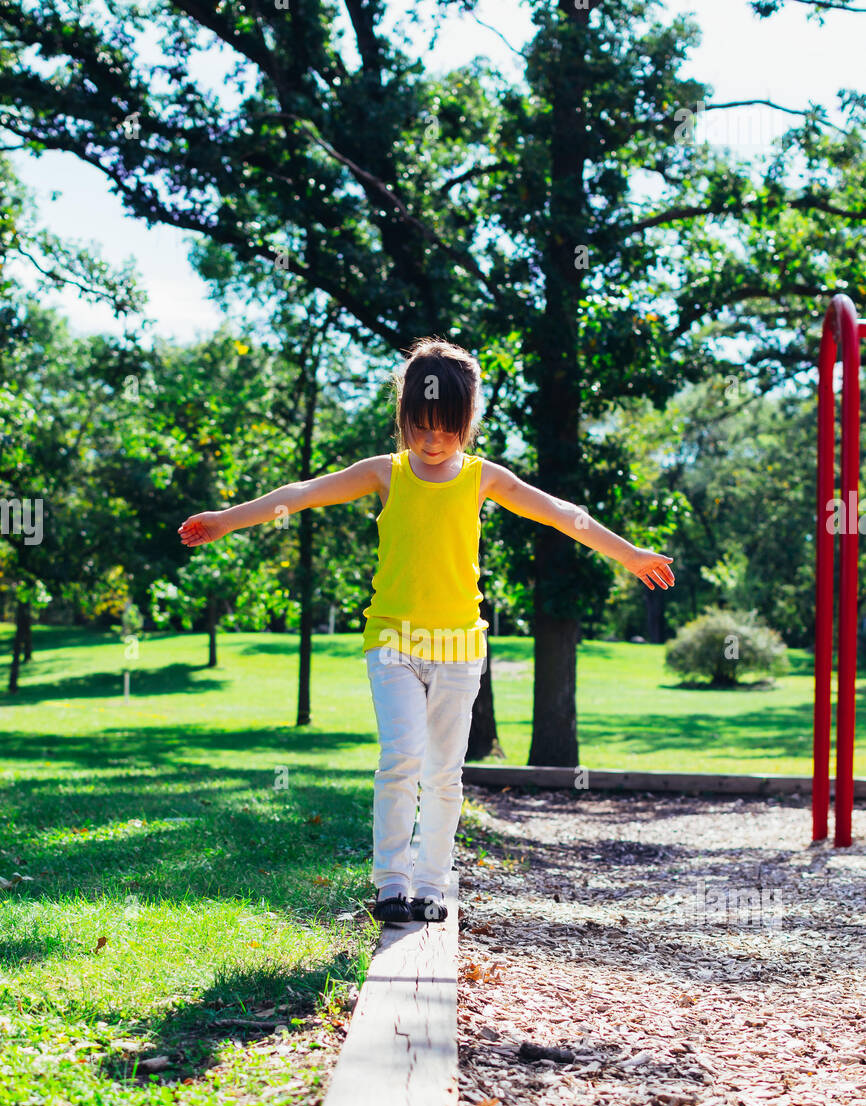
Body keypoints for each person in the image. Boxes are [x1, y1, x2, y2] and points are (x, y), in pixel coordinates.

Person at [178, 337, 675, 926]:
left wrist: (629, 554)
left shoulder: (482, 478)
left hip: (460, 648)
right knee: (400, 759)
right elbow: (302, 495)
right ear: (404, 418)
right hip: (391, 643)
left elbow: (564, 514)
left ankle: (433, 883)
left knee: (443, 772)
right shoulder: (383, 474)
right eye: (421, 426)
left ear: (468, 423)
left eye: (446, 428)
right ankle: (391, 883)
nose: (433, 441)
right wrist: (226, 520)